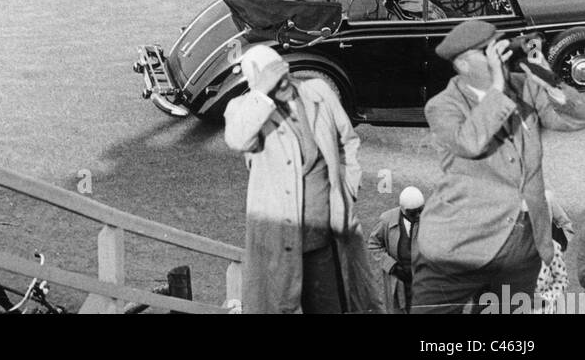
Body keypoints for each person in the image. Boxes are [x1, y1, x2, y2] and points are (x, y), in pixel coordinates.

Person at [410, 20, 585, 315]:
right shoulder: (443, 106)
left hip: (522, 245)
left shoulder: (524, 86)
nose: (500, 55)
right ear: (463, 64)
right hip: (459, 246)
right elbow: (470, 143)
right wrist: (497, 88)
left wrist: (548, 79)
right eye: (487, 51)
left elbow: (576, 118)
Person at [224, 45, 381, 315]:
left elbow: (347, 140)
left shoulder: (317, 92)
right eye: (274, 83)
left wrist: (346, 191)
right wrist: (261, 93)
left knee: (336, 305)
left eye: (284, 75)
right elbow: (238, 139)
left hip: (324, 237)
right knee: (281, 305)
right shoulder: (245, 110)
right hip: (280, 242)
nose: (284, 84)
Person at [368, 187, 424, 314]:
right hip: (398, 282)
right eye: (413, 213)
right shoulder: (387, 220)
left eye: (420, 210)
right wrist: (392, 266)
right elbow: (373, 244)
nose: (418, 215)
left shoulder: (428, 219)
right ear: (403, 210)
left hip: (422, 281)